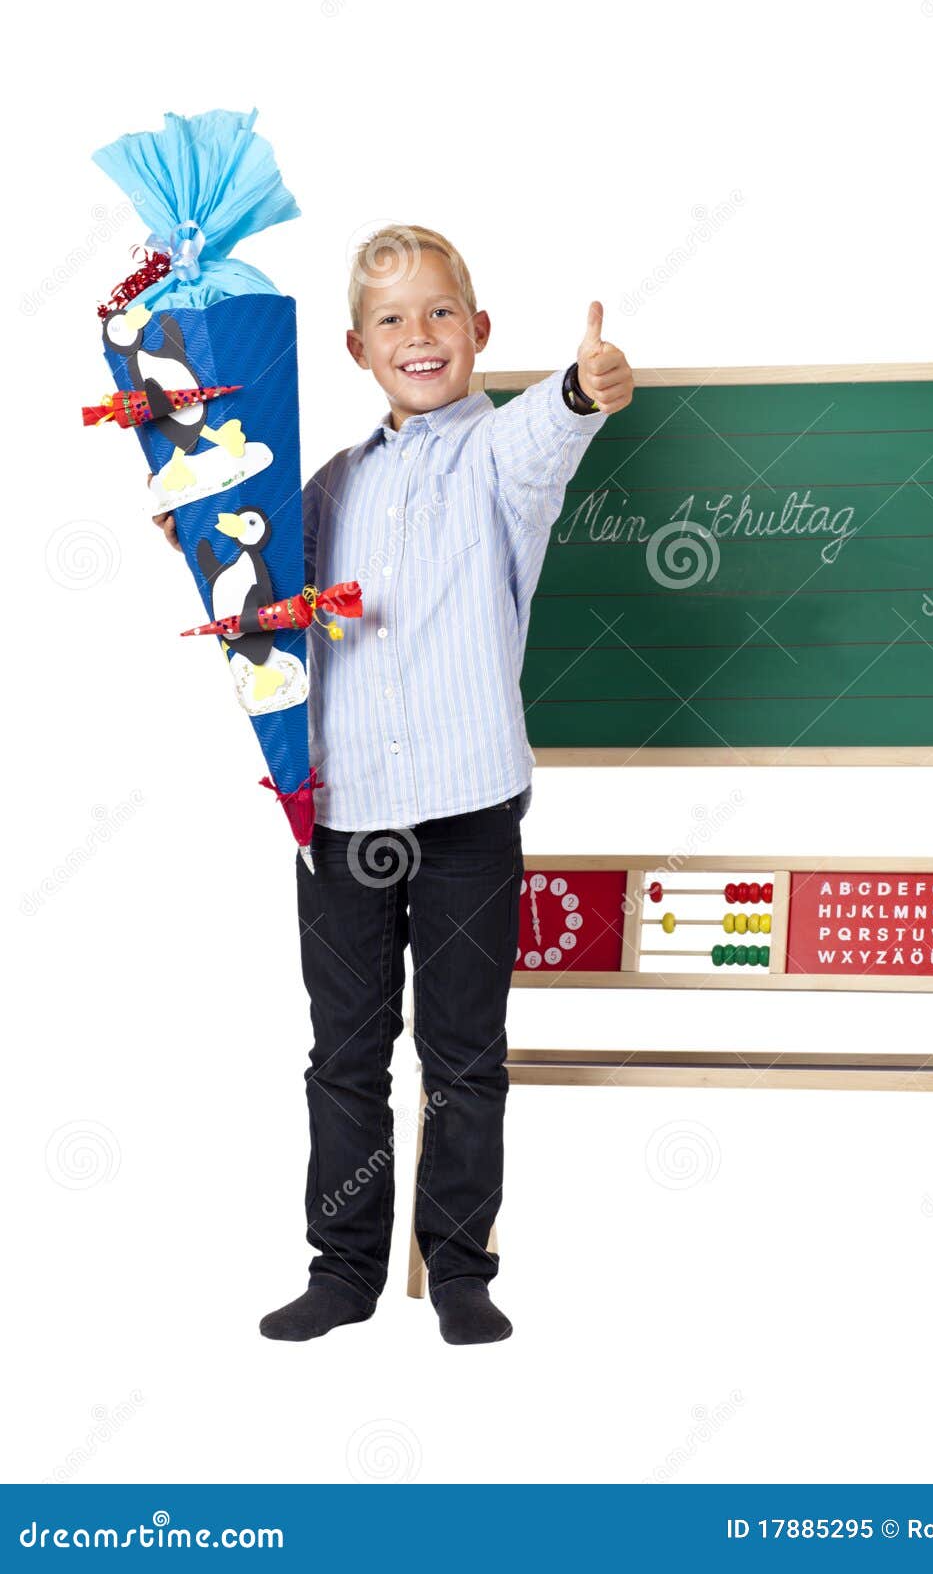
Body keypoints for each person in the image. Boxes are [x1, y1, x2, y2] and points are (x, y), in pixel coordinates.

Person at [155, 224, 634, 1342]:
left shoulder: (499, 457)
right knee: (344, 1054)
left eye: (436, 314)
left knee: (462, 1049)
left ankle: (460, 1267)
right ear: (354, 348)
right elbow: (256, 580)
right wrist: (194, 516)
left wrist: (583, 386)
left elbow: (554, 428)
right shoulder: (327, 489)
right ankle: (342, 1268)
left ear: (477, 332)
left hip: (467, 806)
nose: (416, 335)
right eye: (390, 320)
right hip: (341, 809)